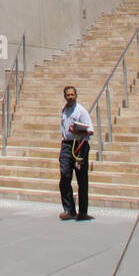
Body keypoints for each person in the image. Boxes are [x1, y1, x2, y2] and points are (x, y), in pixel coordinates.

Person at [59, 85, 94, 220]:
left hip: (80, 145)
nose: (70, 97)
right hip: (67, 144)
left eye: (72, 95)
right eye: (68, 95)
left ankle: (83, 211)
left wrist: (77, 131)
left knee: (82, 179)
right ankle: (69, 209)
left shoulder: (81, 111)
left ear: (76, 95)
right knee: (65, 176)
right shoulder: (64, 110)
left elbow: (90, 130)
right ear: (65, 97)